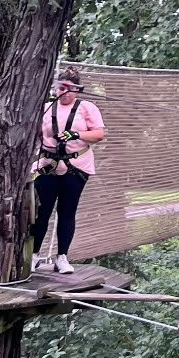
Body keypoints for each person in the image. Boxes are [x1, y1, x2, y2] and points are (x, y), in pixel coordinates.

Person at [31, 68, 106, 275]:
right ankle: (34, 255)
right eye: (62, 88)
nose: (67, 93)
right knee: (41, 212)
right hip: (47, 165)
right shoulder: (45, 108)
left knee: (66, 211)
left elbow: (98, 134)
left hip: (76, 167)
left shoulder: (86, 108)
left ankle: (62, 257)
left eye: (72, 89)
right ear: (55, 89)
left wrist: (76, 134)